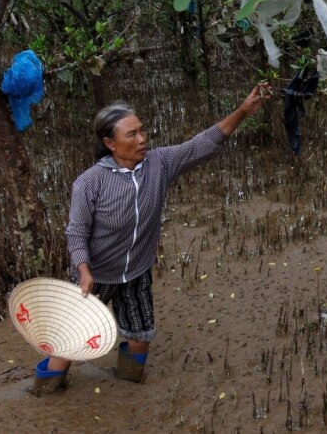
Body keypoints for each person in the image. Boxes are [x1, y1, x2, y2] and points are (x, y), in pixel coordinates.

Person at [31, 83, 271, 396]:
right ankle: (44, 392)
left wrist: (242, 111)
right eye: (131, 134)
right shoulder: (90, 183)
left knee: (140, 336)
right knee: (70, 340)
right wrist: (84, 271)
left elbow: (202, 145)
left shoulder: (158, 164)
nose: (142, 139)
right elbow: (76, 232)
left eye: (142, 131)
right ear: (110, 143)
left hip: (137, 271)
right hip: (95, 275)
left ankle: (129, 388)